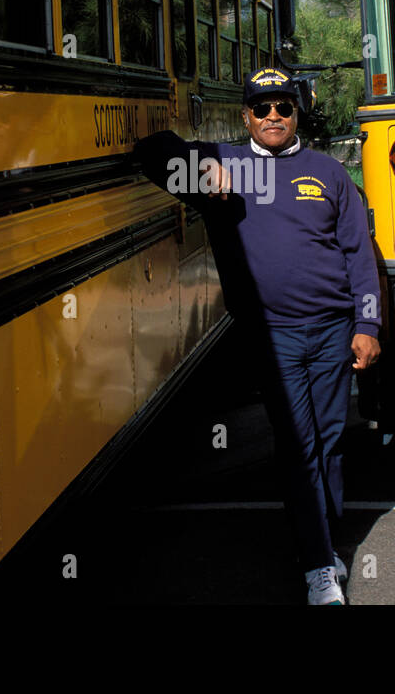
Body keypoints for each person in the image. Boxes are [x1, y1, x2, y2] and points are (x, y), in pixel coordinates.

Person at [133, 67, 381, 604]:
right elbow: (149, 148)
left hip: (335, 330)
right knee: (298, 444)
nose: (273, 116)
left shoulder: (330, 172)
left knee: (331, 442)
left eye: (283, 107)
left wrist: (366, 325)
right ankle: (319, 565)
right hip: (275, 336)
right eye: (262, 107)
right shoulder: (223, 164)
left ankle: (321, 542)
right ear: (245, 115)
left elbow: (360, 255)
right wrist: (202, 169)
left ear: (297, 113)